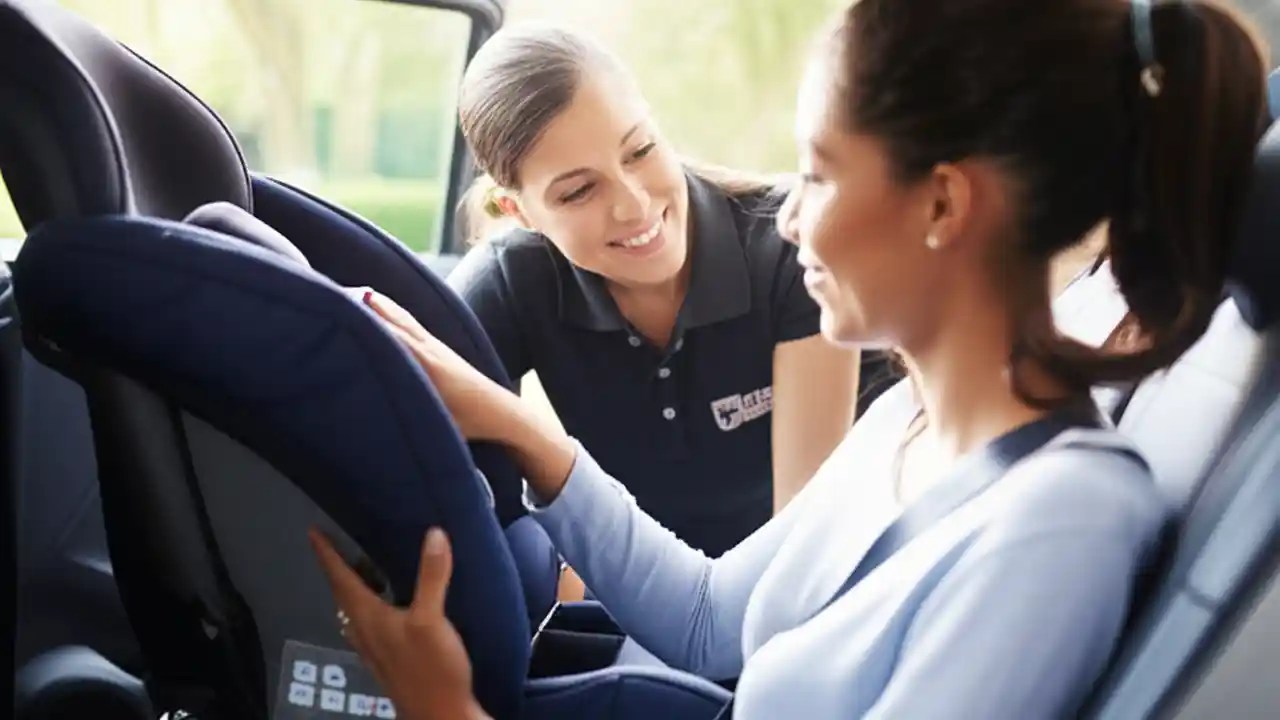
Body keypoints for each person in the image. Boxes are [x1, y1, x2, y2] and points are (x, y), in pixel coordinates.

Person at [313, 0, 1268, 717]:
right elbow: (704, 620)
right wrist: (517, 427)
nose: (792, 216)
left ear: (941, 205)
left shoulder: (1061, 526)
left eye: (818, 173)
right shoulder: (911, 420)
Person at [446, 24, 864, 560]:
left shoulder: (792, 247)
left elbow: (809, 560)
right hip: (642, 606)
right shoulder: (512, 281)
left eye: (639, 150)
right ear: (520, 212)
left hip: (793, 595)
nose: (633, 204)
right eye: (579, 191)